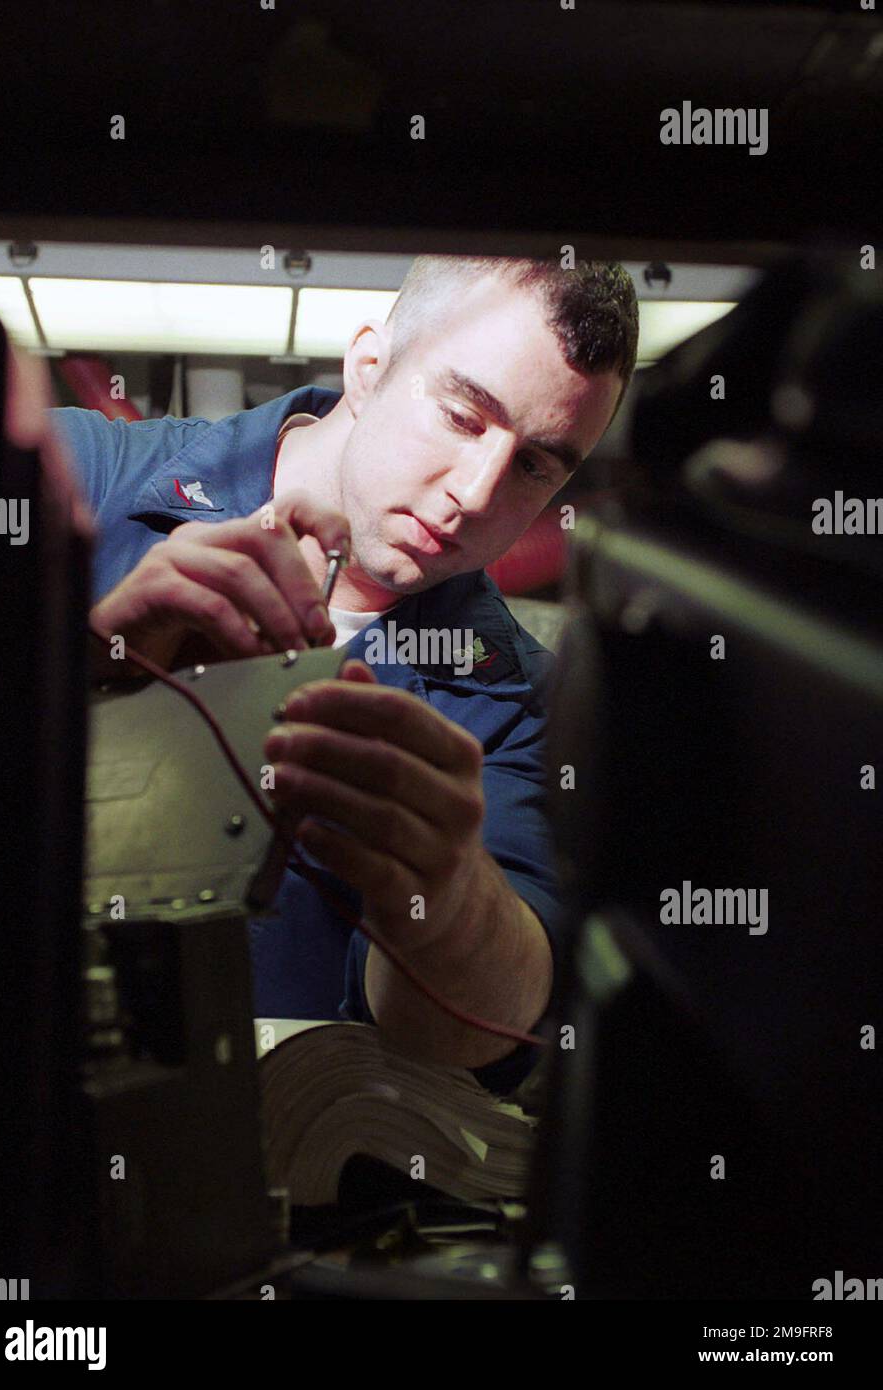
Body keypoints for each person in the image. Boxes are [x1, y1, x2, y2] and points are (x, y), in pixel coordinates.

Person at [52, 255, 638, 1093]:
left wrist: (447, 887)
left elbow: (484, 1024)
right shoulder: (76, 481)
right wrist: (91, 666)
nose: (474, 494)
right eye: (464, 417)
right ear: (368, 367)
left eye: (536, 466)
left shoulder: (524, 703)